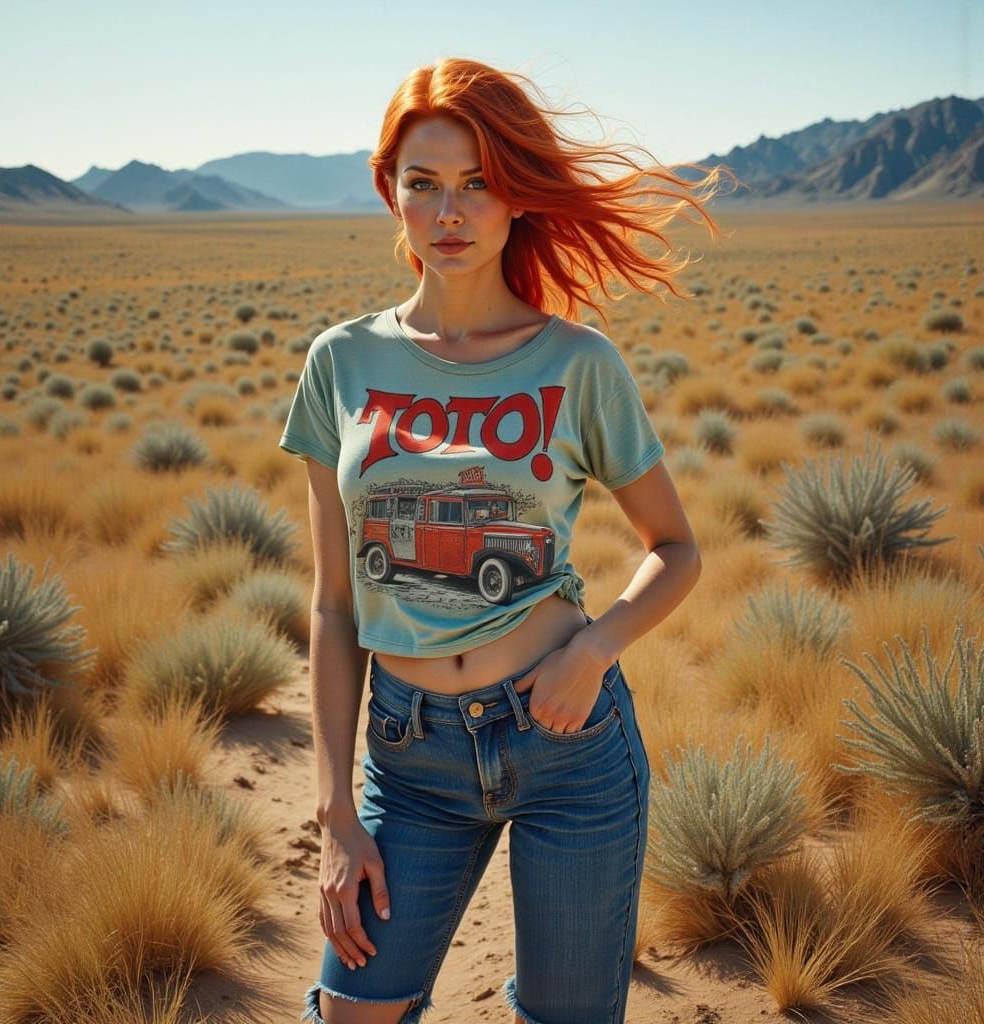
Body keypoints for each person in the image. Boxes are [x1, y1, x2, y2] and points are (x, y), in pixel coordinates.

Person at [280, 56, 732, 1024]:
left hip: (568, 738)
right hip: (410, 755)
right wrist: (332, 814)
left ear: (516, 198)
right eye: (425, 183)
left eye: (479, 183)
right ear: (389, 193)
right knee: (355, 1008)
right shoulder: (341, 361)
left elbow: (676, 548)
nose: (451, 212)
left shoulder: (577, 362)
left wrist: (596, 646)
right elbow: (332, 602)